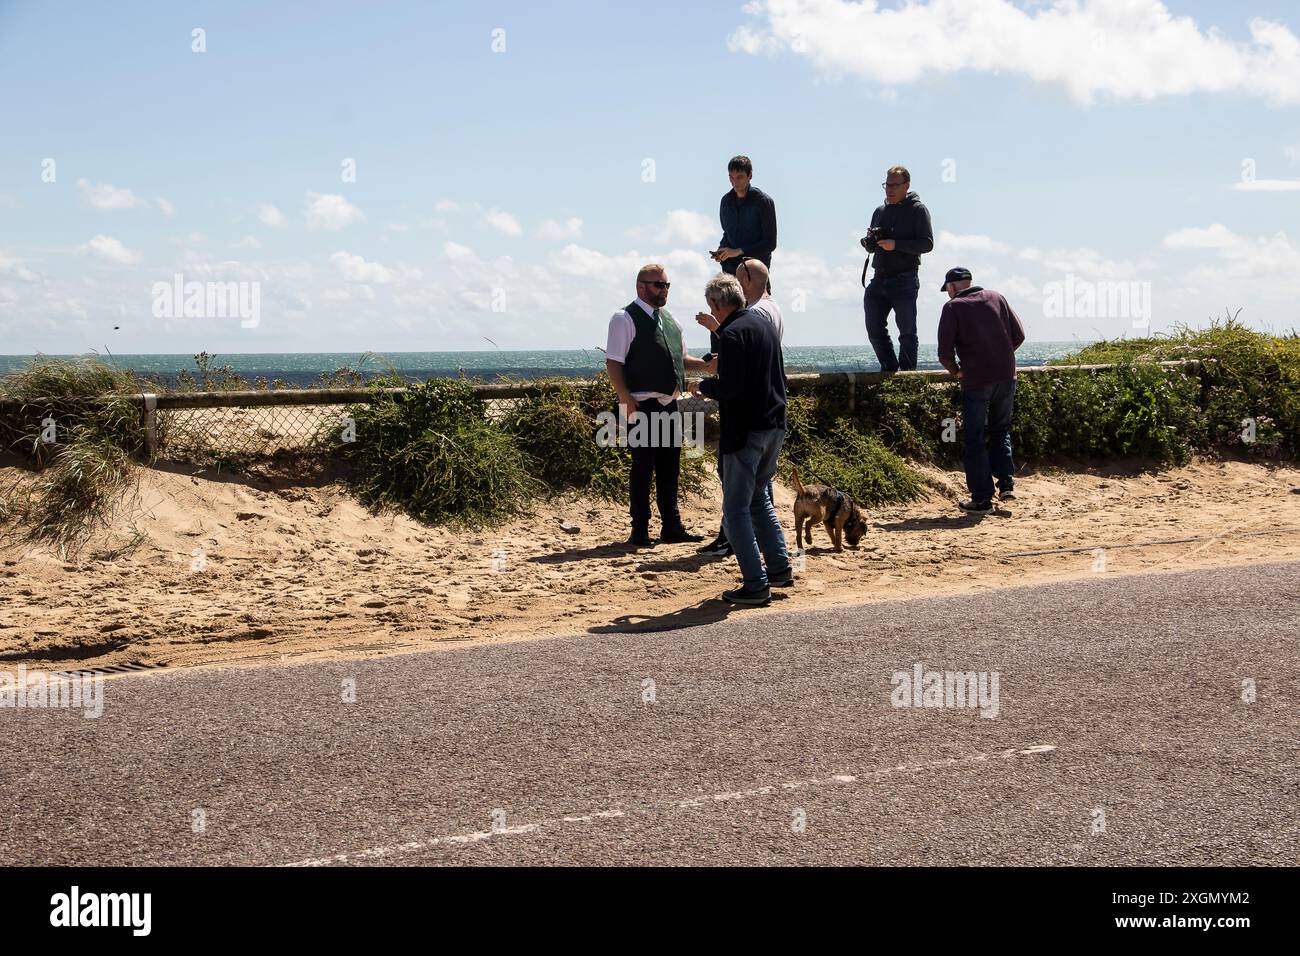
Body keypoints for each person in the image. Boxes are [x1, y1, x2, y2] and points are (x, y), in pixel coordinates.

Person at [688, 273, 791, 606]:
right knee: (760, 498)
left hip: (746, 430)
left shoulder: (731, 335)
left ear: (717, 304)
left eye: (712, 307)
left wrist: (701, 387)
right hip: (774, 424)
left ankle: (755, 584)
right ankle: (779, 568)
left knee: (735, 511)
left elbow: (730, 388)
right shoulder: (763, 325)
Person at [605, 264, 712, 547]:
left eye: (666, 285)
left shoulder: (671, 321)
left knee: (669, 468)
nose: (664, 290)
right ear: (641, 286)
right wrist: (624, 397)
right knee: (642, 469)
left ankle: (671, 527)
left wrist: (705, 365)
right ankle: (639, 529)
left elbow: (681, 360)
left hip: (668, 404)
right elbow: (614, 361)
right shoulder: (624, 318)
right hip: (641, 405)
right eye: (658, 285)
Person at [936, 267, 1026, 516]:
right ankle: (1006, 483)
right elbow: (1018, 335)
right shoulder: (997, 297)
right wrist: (1001, 356)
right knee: (1000, 429)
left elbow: (944, 352)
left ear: (952, 287)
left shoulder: (953, 307)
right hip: (1007, 376)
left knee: (974, 438)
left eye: (947, 290)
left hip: (976, 380)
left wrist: (956, 370)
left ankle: (982, 499)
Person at [860, 165, 933, 372]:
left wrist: (896, 244)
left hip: (905, 279)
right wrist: (870, 242)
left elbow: (927, 244)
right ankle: (890, 370)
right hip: (879, 277)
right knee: (874, 329)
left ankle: (907, 376)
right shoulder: (880, 211)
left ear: (906, 185)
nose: (889, 190)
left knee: (907, 332)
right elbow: (873, 246)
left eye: (894, 185)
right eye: (887, 185)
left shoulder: (918, 210)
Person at [712, 156, 777, 279]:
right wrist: (721, 250)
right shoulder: (725, 202)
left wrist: (738, 251)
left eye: (739, 177)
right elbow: (727, 234)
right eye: (731, 177)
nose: (735, 182)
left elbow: (770, 243)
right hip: (730, 273)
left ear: (750, 175)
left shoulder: (764, 202)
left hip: (755, 274)